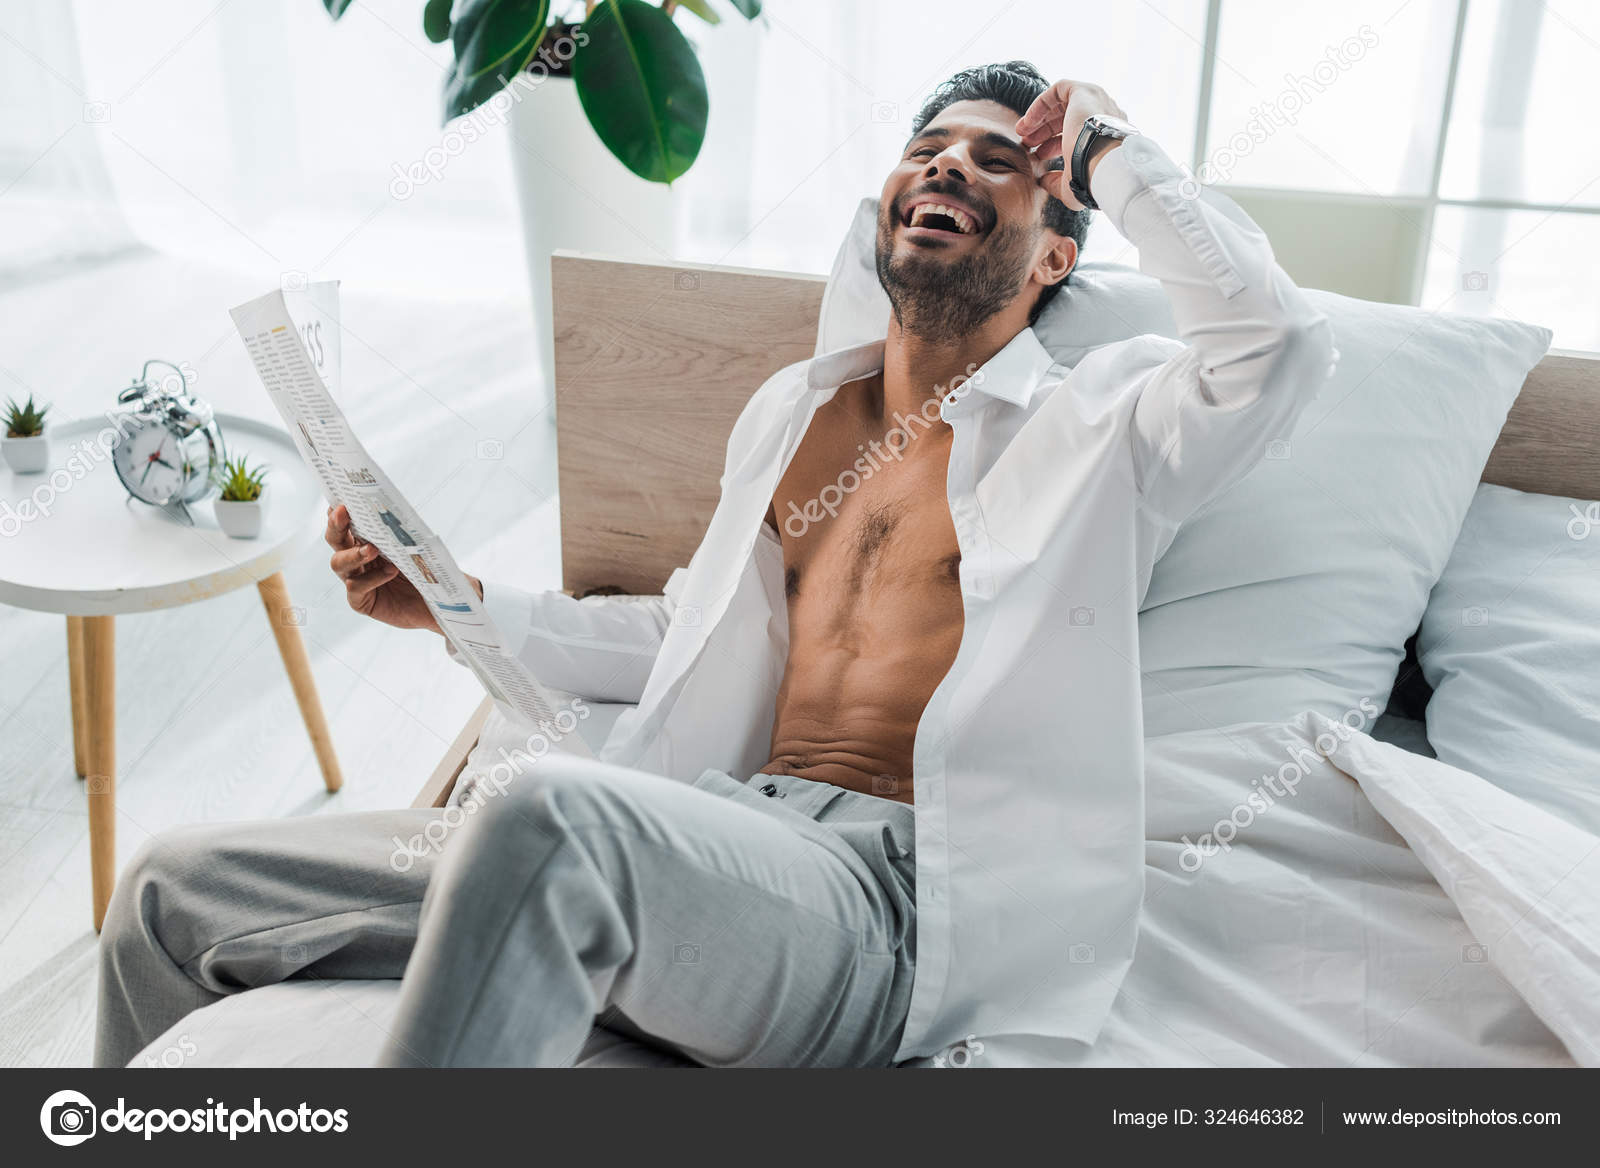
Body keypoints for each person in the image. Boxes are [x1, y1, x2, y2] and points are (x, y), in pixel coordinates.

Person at [96, 61, 1332, 1069]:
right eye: (930, 148)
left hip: (893, 912)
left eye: (1002, 159)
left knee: (542, 816)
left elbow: (1275, 345)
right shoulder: (794, 417)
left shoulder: (1105, 427)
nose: (951, 162)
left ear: (1060, 251)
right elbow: (680, 635)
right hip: (717, 835)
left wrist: (1107, 148)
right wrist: (458, 605)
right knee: (170, 889)